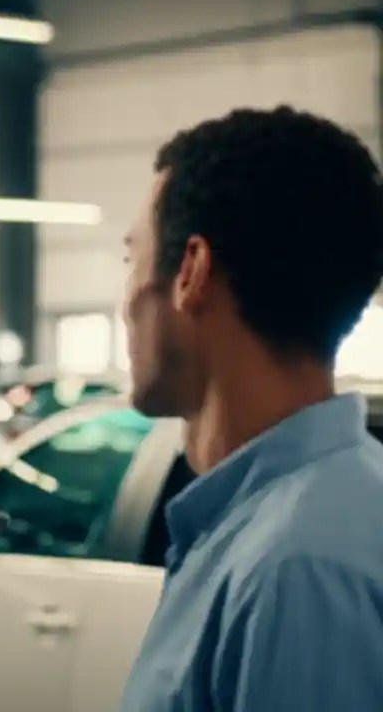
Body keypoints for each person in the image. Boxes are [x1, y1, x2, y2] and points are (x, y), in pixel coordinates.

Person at [119, 105, 383, 711]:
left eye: (130, 258)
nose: (126, 299)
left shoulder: (296, 567)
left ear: (190, 271)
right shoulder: (291, 520)